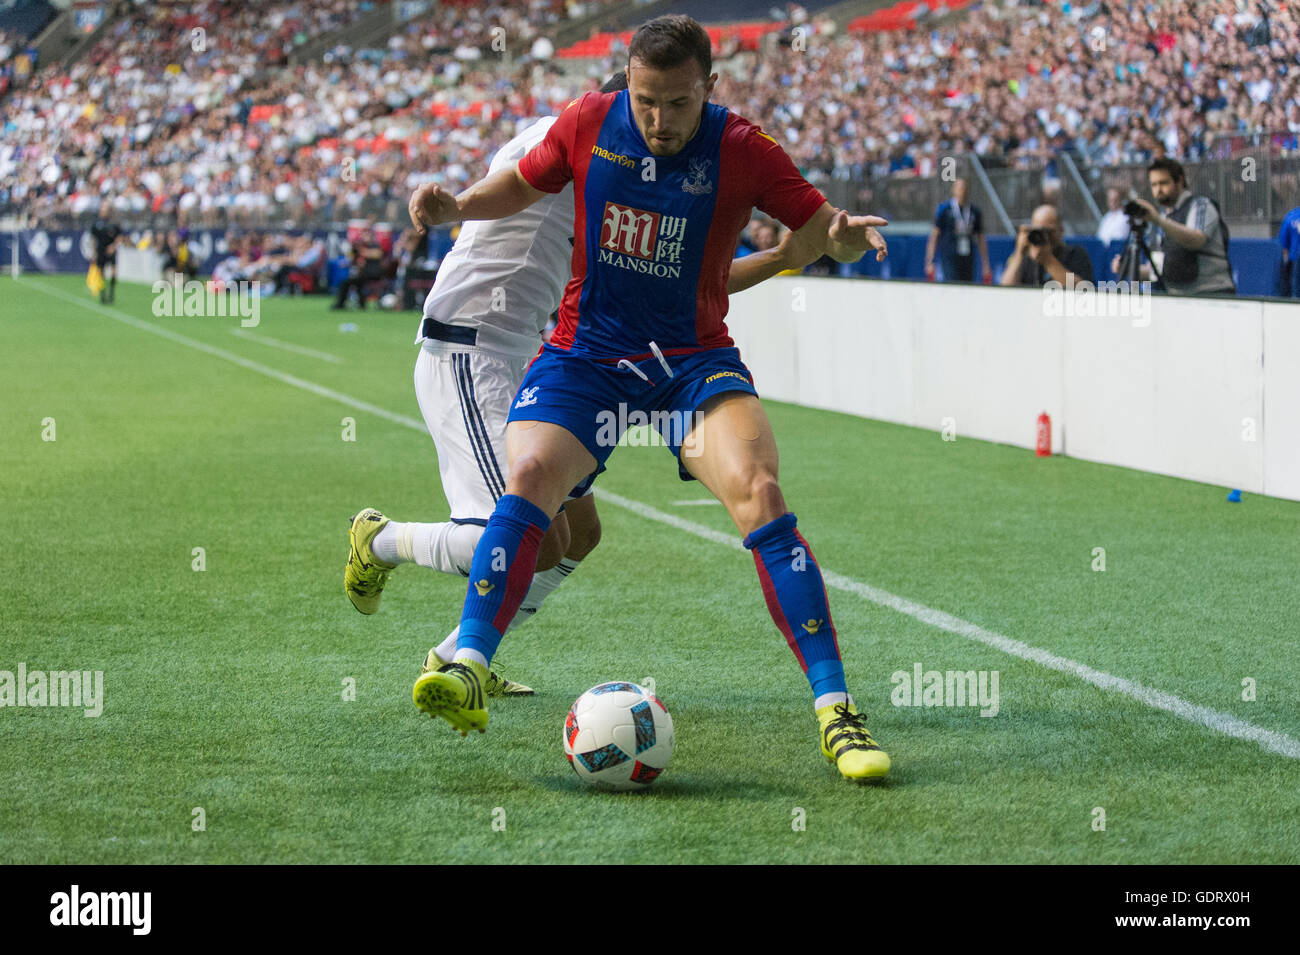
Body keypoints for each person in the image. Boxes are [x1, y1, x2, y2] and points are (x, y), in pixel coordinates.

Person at [405, 14, 893, 782]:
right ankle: (467, 662)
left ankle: (837, 711)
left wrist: (841, 237)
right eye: (645, 101)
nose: (659, 121)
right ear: (625, 84)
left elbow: (818, 222)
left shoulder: (743, 148)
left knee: (761, 493)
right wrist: (455, 206)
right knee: (529, 480)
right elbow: (521, 181)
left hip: (691, 365)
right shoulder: (589, 121)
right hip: (586, 356)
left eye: (677, 103)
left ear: (710, 88)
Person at [344, 73, 856, 699]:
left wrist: (780, 256)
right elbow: (506, 194)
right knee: (509, 532)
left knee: (578, 535)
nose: (663, 135)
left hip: (531, 349)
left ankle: (459, 653)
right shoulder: (584, 149)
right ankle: (384, 541)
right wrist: (454, 206)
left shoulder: (604, 155)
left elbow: (694, 276)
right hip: (473, 346)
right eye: (647, 113)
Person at [1109, 158, 1235, 296]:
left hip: (1210, 293)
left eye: (1163, 183)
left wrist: (1158, 220)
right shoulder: (1161, 218)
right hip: (1176, 297)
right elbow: (1157, 271)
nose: (1159, 189)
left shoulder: (1200, 205)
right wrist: (1128, 268)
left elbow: (1196, 240)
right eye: (1154, 184)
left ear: (1180, 181)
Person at [1001, 204, 1095, 288]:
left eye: (1049, 232)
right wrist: (1019, 252)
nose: (1044, 236)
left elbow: (1082, 289)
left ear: (1060, 231)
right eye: (1038, 231)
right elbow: (1006, 289)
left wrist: (1048, 260)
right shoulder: (1027, 257)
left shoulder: (1074, 254)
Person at [925, 178, 991, 283]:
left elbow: (981, 237)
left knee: (967, 286)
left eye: (964, 188)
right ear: (954, 190)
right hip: (950, 256)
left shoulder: (974, 211)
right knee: (952, 285)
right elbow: (935, 236)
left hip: (967, 257)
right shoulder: (944, 209)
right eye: (959, 188)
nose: (962, 191)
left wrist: (985, 264)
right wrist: (930, 261)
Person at [332, 227, 386, 309]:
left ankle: (341, 304)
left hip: (374, 273)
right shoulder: (360, 247)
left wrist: (361, 250)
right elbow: (351, 259)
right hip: (364, 274)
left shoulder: (375, 245)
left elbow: (377, 254)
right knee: (354, 283)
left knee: (347, 283)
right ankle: (360, 304)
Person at [90, 200, 122, 304]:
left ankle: (111, 294)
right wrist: (93, 252)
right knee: (101, 273)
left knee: (113, 272)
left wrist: (113, 246)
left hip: (111, 250)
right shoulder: (96, 224)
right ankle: (103, 294)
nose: (103, 211)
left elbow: (119, 237)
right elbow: (93, 239)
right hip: (101, 250)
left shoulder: (113, 223)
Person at [1275, 203, 1300, 298]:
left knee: (1294, 288)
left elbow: (1284, 242)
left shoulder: (1291, 216)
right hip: (1294, 259)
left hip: (1293, 257)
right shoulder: (1292, 216)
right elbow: (1284, 241)